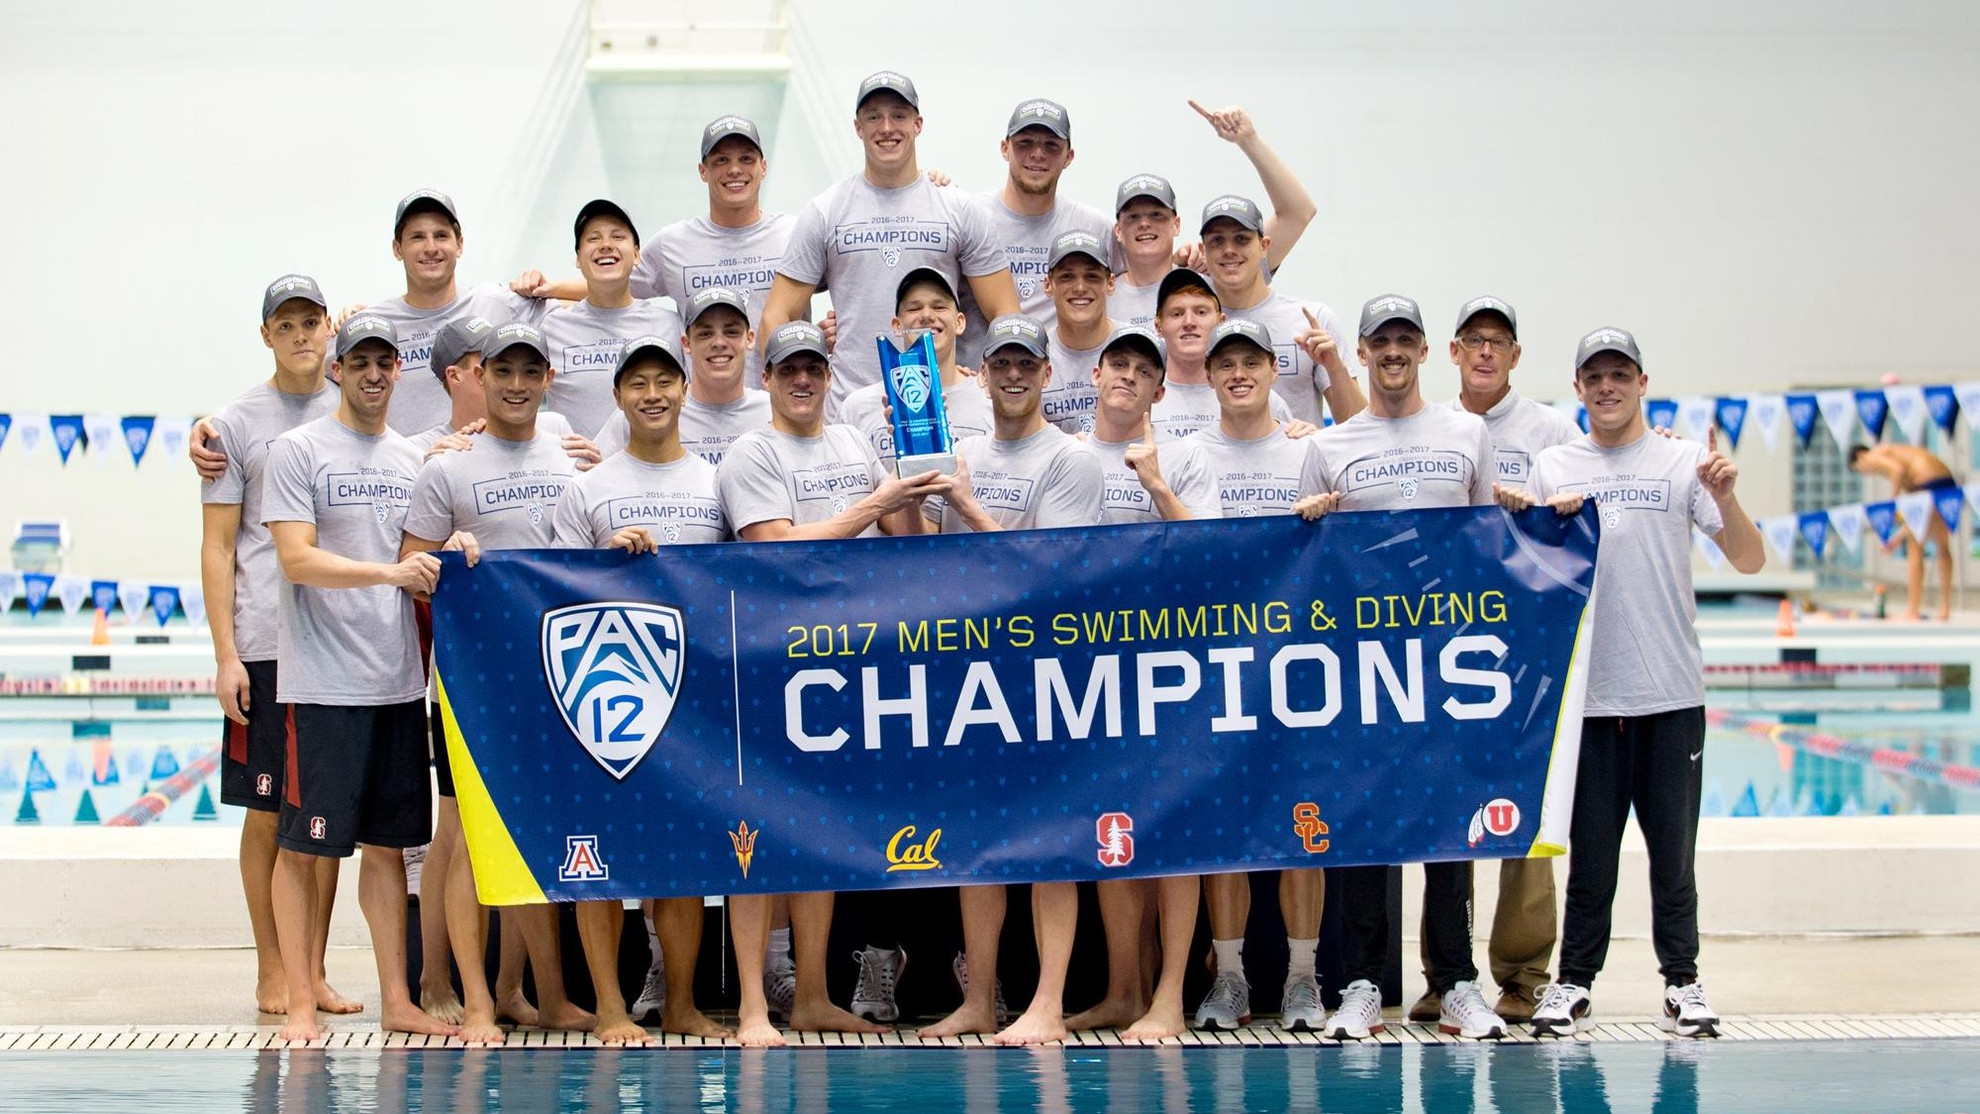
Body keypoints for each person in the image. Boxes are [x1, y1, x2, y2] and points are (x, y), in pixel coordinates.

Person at [1504, 327, 1763, 1039]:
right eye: (1595, 377)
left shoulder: (1683, 462)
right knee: (1591, 856)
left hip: (1671, 695)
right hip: (1588, 700)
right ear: (1579, 387)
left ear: (1642, 383)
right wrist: (1526, 517)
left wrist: (1727, 498)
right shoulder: (1555, 466)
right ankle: (1573, 983)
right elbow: (1524, 573)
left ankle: (1683, 982)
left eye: (1620, 375)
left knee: (1673, 857)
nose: (1607, 387)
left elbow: (1748, 560)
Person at [716, 320, 949, 1047]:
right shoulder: (751, 452)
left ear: (827, 375)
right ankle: (753, 1005)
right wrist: (874, 504)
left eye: (813, 368)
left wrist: (910, 473)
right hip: (774, 662)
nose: (803, 380)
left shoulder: (854, 442)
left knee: (817, 832)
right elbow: (773, 550)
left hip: (853, 664)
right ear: (766, 379)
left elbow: (909, 542)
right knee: (758, 834)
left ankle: (813, 995)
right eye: (789, 369)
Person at [1295, 295, 1502, 1041]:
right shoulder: (1330, 446)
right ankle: (1361, 984)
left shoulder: (1467, 432)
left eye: (1404, 340)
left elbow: (1490, 544)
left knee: (1449, 824)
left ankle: (1455, 983)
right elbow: (1303, 568)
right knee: (1365, 823)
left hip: (1447, 662)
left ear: (1423, 350)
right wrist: (1309, 524)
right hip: (1366, 667)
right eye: (1379, 340)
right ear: (1361, 352)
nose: (1392, 351)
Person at [399, 322, 593, 1044]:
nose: (515, 385)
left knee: (532, 835)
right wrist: (445, 554)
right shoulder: (448, 468)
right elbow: (410, 571)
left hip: (552, 678)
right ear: (478, 377)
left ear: (547, 378)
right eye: (501, 371)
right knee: (463, 833)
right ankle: (462, 991)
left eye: (528, 371)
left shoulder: (570, 453)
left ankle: (524, 991)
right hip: (470, 684)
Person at [261, 315, 454, 1042]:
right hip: (322, 686)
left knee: (388, 849)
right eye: (360, 362)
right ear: (337, 369)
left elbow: (421, 553)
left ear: (398, 370)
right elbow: (296, 559)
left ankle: (397, 1000)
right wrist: (390, 574)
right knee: (302, 847)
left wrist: (455, 546)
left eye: (385, 362)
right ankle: (300, 1001)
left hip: (397, 682)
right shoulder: (298, 450)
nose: (373, 374)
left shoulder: (413, 459)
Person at [920, 314, 1105, 1045]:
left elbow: (1047, 574)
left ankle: (1048, 1003)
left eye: (1027, 363)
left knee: (1050, 839)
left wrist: (965, 504)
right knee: (978, 839)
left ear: (1047, 373)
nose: (1014, 375)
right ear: (985, 373)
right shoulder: (961, 453)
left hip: (1047, 675)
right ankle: (980, 999)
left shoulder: (1072, 460)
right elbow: (936, 563)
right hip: (972, 671)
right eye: (1002, 364)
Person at [549, 333, 738, 1045]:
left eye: (665, 380)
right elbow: (552, 593)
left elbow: (742, 585)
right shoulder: (588, 490)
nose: (653, 394)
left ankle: (682, 1004)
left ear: (685, 390)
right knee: (597, 858)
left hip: (693, 701)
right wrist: (604, 564)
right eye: (638, 383)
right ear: (618, 396)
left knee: (682, 860)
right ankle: (609, 1008)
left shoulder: (717, 482)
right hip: (605, 701)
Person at [1406, 295, 1580, 1026]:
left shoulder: (1552, 432)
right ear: (1451, 351)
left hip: (1527, 646)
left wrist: (1554, 507)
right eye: (1473, 340)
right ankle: (1447, 974)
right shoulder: (1435, 429)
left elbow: (1584, 505)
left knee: (1525, 811)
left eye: (1497, 342)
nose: (1484, 352)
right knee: (1449, 813)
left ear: (1515, 356)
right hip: (1448, 645)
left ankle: (1524, 973)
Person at [1060, 324, 1220, 1041]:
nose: (1127, 375)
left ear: (1160, 390)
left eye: (1142, 370)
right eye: (1116, 363)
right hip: (1089, 670)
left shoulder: (1186, 456)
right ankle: (1125, 990)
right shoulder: (1065, 455)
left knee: (1175, 831)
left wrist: (1155, 484)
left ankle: (1170, 996)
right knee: (1113, 827)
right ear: (1095, 375)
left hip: (1170, 667)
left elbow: (1210, 556)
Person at [199, 275, 352, 1019]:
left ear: (328, 327)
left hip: (337, 646)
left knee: (320, 815)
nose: (298, 336)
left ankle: (311, 969)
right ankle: (271, 967)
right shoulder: (234, 424)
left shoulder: (352, 403)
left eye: (309, 322)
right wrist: (225, 655)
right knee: (266, 813)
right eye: (284, 325)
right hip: (264, 641)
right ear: (266, 335)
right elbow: (218, 545)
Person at [1177, 318, 1329, 1033]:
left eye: (1251, 362)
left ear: (1274, 370)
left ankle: (1302, 978)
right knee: (1226, 829)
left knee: (1304, 822)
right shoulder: (1186, 455)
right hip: (1215, 670)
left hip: (1297, 669)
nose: (1239, 373)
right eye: (1226, 363)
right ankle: (1231, 978)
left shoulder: (1309, 450)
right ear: (1208, 375)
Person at [759, 71, 1018, 410]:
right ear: (858, 127)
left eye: (898, 115)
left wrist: (980, 381)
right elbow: (775, 317)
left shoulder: (958, 208)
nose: (886, 127)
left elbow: (1005, 315)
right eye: (873, 117)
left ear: (918, 124)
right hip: (848, 411)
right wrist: (785, 406)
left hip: (941, 409)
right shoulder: (826, 210)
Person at [520, 114, 792, 390]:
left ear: (763, 167)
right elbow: (613, 285)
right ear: (703, 171)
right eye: (721, 160)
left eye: (746, 159)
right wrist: (550, 289)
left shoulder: (792, 234)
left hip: (782, 402)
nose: (734, 169)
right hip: (699, 408)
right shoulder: (673, 243)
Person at [1109, 100, 1318, 327]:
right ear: (1118, 230)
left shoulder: (1216, 280)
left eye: (1157, 215)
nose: (1144, 224)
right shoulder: (1101, 296)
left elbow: (1297, 214)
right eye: (1133, 216)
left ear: (1176, 224)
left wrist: (1248, 139)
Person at [952, 98, 1110, 367]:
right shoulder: (970, 215)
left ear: (1069, 156)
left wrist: (1183, 258)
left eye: (1051, 145)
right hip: (979, 380)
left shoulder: (1093, 226)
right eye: (1025, 143)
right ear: (1005, 148)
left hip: (1059, 382)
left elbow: (1141, 278)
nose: (1038, 154)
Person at [1198, 195, 1366, 426]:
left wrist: (1335, 368)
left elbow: (1358, 428)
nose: (1229, 250)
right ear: (1202, 250)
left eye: (1241, 239)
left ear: (1264, 246)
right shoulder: (1189, 327)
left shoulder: (1312, 320)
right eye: (1217, 240)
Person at [540, 200, 687, 438]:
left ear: (637, 254)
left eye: (618, 237)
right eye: (593, 238)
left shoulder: (670, 325)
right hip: (573, 462)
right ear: (578, 258)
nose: (606, 245)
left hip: (651, 460)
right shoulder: (551, 327)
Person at [592, 287, 772, 465]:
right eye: (705, 334)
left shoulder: (772, 411)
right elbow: (595, 469)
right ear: (686, 343)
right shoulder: (646, 411)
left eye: (731, 332)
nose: (719, 343)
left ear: (750, 339)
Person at [838, 268, 994, 470]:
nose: (927, 315)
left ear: (959, 322)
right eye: (914, 308)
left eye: (939, 307)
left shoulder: (990, 403)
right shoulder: (858, 408)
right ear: (897, 325)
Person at [1148, 269, 1297, 439]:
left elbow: (1288, 448)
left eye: (1201, 312)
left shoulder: (1262, 398)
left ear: (1221, 321)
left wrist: (1306, 432)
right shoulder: (1143, 397)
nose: (1189, 322)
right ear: (1158, 327)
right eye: (1177, 314)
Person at [1849, 443, 1958, 620]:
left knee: (1915, 548)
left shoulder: (1874, 454)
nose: (1866, 473)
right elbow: (1919, 515)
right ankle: (1945, 609)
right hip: (1946, 482)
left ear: (1860, 457)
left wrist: (1892, 504)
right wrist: (1896, 538)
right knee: (1943, 547)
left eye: (1860, 470)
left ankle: (1913, 609)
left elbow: (1897, 470)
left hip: (1927, 483)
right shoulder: (1901, 455)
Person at [1039, 231, 1116, 433]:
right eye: (1067, 277)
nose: (1080, 288)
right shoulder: (1032, 355)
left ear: (1110, 283)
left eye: (1092, 277)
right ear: (1048, 285)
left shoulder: (1138, 345)